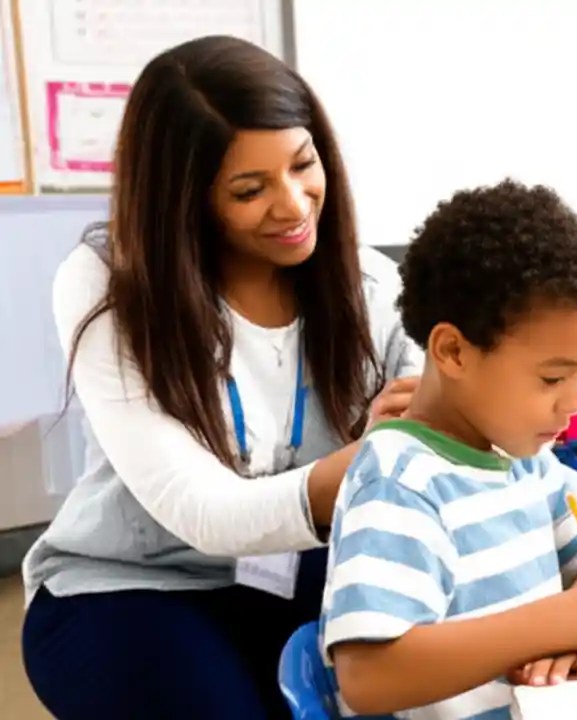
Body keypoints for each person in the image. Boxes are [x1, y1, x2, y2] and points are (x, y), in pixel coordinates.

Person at [21, 36, 422, 719]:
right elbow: (202, 512)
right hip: (134, 586)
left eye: (303, 165)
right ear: (182, 199)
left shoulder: (371, 285)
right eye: (249, 190)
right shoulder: (110, 285)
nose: (294, 205)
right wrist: (370, 461)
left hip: (301, 570)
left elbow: (462, 439)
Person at [321, 180, 577, 718]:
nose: (575, 403)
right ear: (454, 351)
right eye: (552, 378)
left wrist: (574, 631)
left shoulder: (523, 462)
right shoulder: (399, 481)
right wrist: (560, 621)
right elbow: (368, 676)